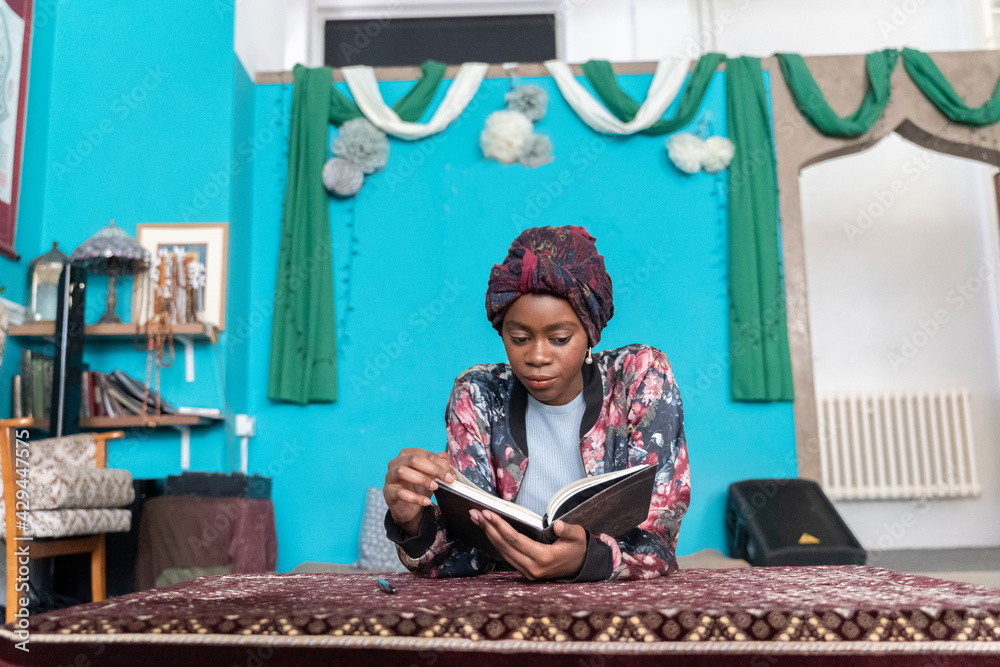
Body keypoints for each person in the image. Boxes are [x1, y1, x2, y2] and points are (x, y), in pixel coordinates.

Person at [383, 225, 690, 582]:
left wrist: (587, 559)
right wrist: (412, 521)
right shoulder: (478, 394)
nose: (537, 356)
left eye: (559, 338)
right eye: (519, 338)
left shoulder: (639, 377)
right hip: (505, 610)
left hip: (611, 609)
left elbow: (658, 539)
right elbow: (467, 556)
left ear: (590, 333)